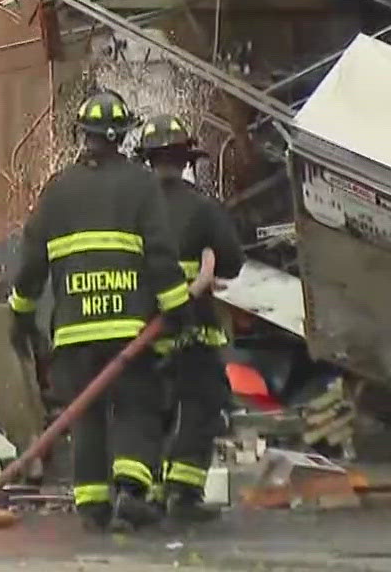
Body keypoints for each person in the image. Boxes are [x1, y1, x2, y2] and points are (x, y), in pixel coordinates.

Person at [9, 90, 190, 532]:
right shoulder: (142, 185)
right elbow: (160, 254)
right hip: (130, 330)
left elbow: (30, 264)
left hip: (74, 331)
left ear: (82, 135)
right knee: (136, 407)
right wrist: (177, 310)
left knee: (85, 415)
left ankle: (92, 506)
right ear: (123, 135)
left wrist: (21, 317)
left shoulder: (57, 190)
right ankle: (130, 493)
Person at [138, 113, 244, 523]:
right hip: (192, 330)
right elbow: (231, 261)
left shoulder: (133, 208)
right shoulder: (202, 207)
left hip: (139, 331)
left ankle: (145, 491)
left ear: (147, 159)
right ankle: (182, 494)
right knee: (199, 407)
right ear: (186, 159)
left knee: (147, 412)